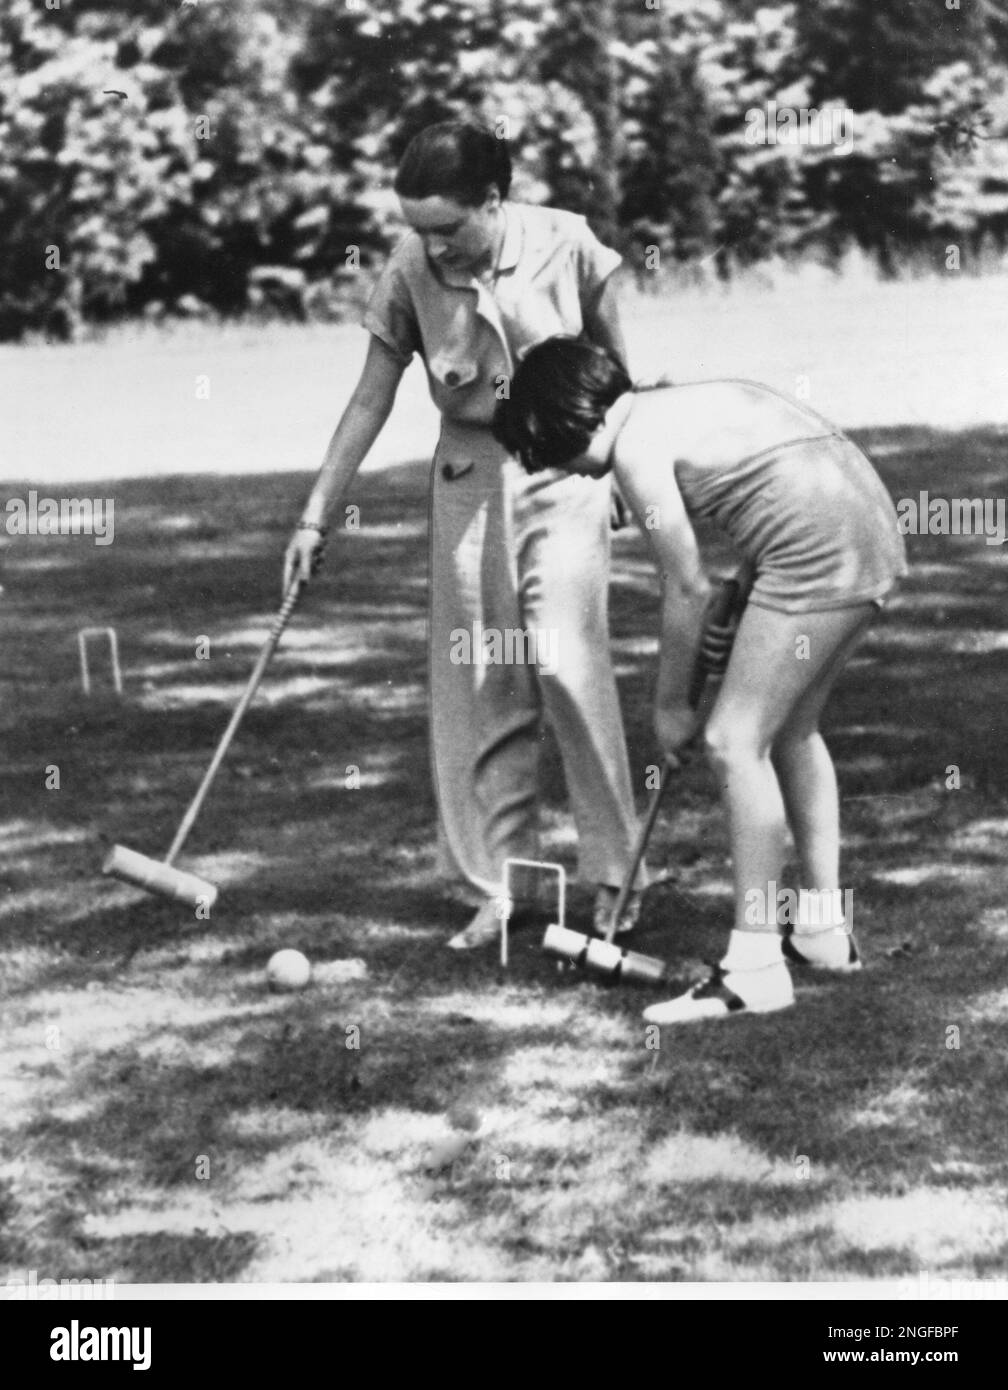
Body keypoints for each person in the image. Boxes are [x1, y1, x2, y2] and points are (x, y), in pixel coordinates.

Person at [283, 123, 648, 947]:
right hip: (469, 480)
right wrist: (315, 515)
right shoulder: (413, 267)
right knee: (483, 681)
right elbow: (370, 398)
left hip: (567, 469)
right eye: (418, 228)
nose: (431, 245)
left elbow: (628, 375)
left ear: (495, 201)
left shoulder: (570, 244)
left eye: (448, 227)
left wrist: (626, 469)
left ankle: (615, 877)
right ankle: (503, 884)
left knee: (564, 662)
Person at [493, 337, 908, 1024]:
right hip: (867, 536)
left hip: (821, 555)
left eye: (556, 456)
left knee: (730, 742)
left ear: (561, 420)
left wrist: (671, 706)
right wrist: (747, 585)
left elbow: (683, 586)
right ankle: (823, 931)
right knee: (792, 732)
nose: (576, 475)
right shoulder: (678, 404)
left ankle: (754, 968)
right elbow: (783, 478)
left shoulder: (632, 446)